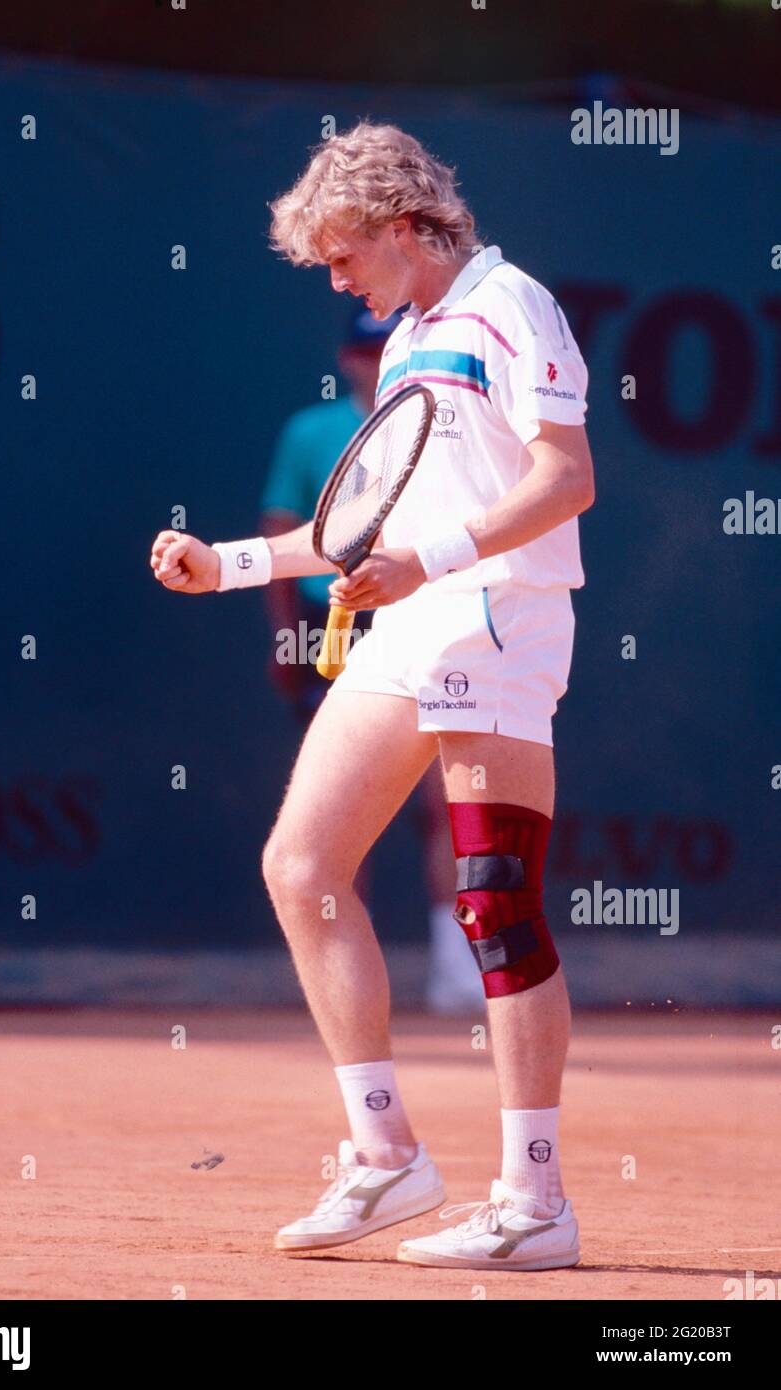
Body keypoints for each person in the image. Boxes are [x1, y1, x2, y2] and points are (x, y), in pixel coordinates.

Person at [150, 120, 595, 1272]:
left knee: (495, 905)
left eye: (345, 256)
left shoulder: (510, 307)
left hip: (497, 620)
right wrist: (234, 562)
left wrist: (429, 562)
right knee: (300, 867)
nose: (336, 280)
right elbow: (366, 526)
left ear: (405, 226)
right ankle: (386, 1154)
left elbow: (565, 479)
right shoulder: (406, 341)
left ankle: (534, 1200)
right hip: (412, 621)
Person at [259, 306, 482, 1012]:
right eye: (363, 347)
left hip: (429, 615)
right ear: (345, 358)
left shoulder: (452, 426)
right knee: (338, 818)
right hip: (339, 626)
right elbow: (282, 531)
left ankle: (456, 971)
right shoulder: (309, 432)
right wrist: (284, 636)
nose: (372, 357)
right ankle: (347, 982)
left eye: (385, 343)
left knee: (443, 804)